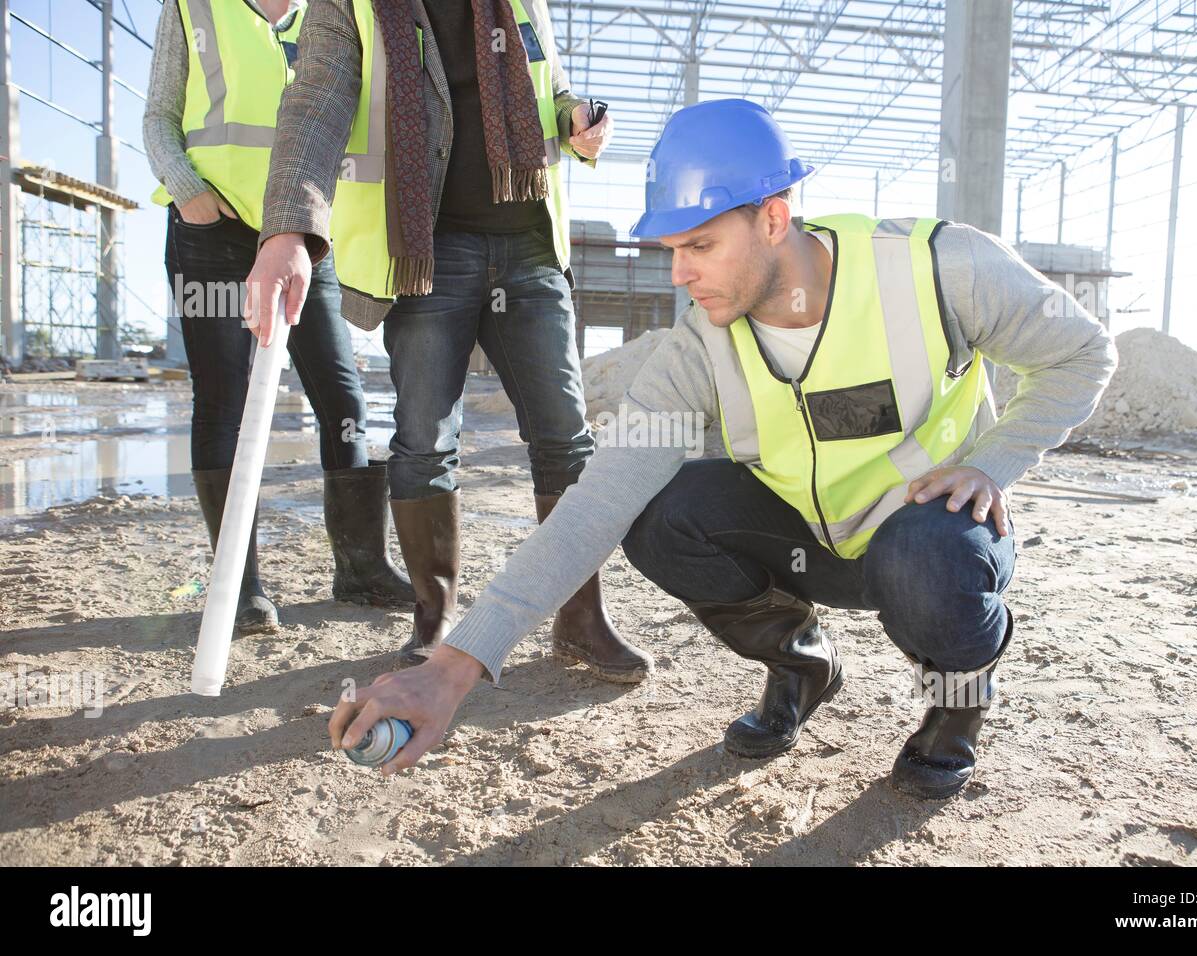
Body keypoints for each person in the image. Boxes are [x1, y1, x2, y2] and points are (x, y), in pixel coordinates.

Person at [328, 98, 1118, 800]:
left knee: (933, 558)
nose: (680, 275)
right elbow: (597, 504)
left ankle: (954, 719)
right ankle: (803, 663)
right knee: (660, 516)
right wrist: (454, 667)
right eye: (672, 249)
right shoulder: (699, 347)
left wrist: (995, 461)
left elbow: (1083, 354)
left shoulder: (940, 268)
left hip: (928, 536)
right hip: (813, 539)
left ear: (773, 219)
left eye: (700, 246)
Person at [245, 0, 651, 682]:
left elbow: (545, 91)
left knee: (565, 438)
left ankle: (581, 617)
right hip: (427, 249)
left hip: (527, 244)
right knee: (425, 439)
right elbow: (314, 105)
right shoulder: (349, 7)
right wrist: (288, 228)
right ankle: (434, 620)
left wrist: (575, 119)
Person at [144, 0, 414, 635]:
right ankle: (239, 585)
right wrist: (190, 192)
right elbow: (159, 116)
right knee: (223, 403)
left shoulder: (332, 13)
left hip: (297, 233)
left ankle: (361, 569)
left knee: (342, 396)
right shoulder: (192, 8)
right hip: (210, 231)